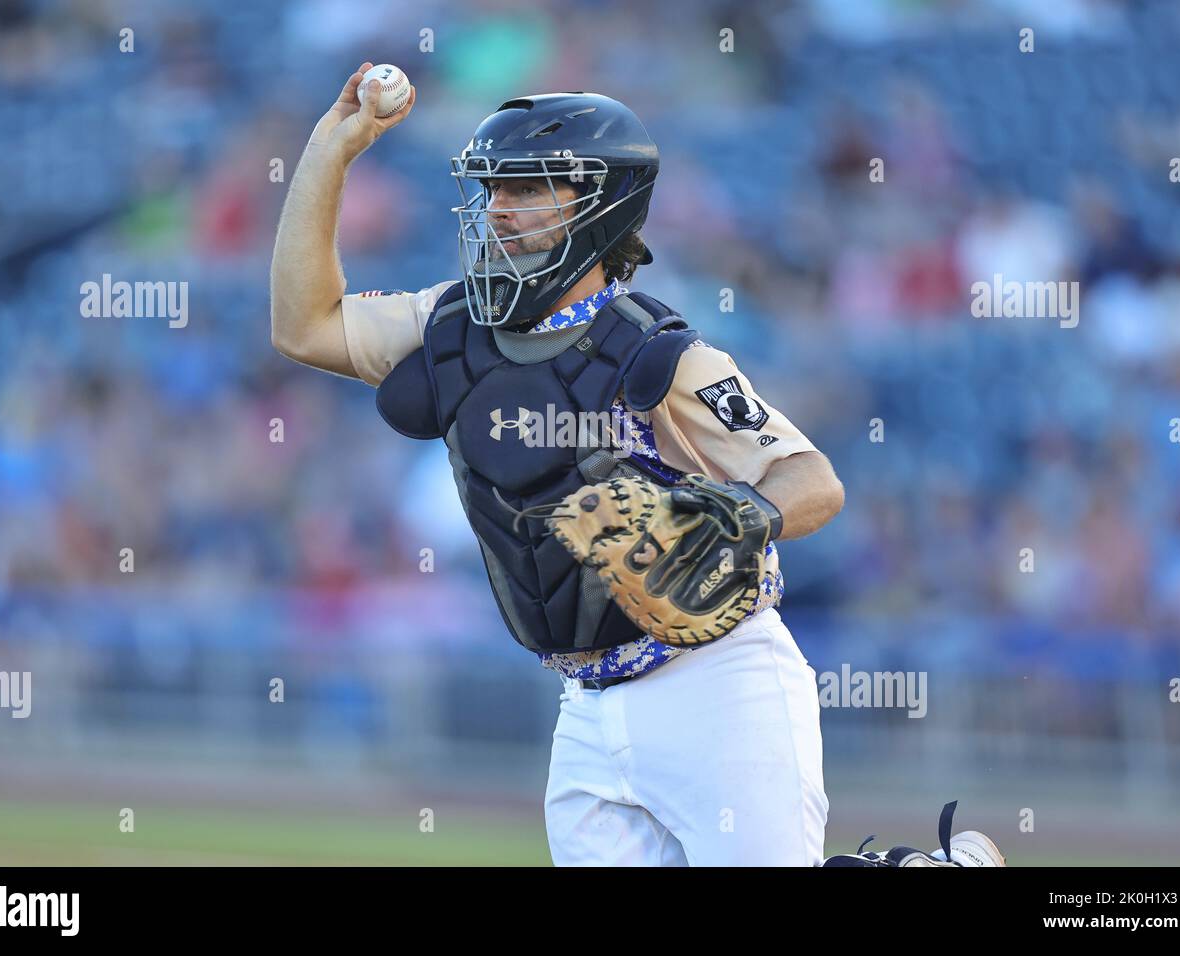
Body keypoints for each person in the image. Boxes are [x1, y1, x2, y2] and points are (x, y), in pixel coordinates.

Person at [270, 62, 846, 866]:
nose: (498, 211)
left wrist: (752, 513)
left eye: (525, 190)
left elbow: (812, 478)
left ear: (596, 204)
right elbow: (305, 327)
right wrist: (331, 152)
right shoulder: (453, 323)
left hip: (718, 685)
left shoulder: (657, 351)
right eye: (491, 190)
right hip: (584, 703)